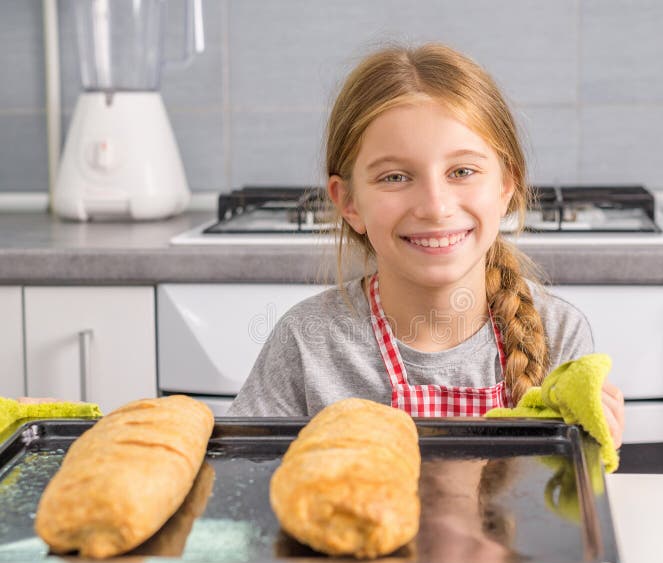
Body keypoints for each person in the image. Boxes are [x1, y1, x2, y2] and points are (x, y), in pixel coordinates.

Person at [229, 43, 625, 448]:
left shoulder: (559, 334)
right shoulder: (307, 341)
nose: (435, 207)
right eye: (396, 177)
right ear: (349, 202)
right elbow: (241, 479)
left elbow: (561, 502)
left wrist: (592, 445)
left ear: (506, 185)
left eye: (462, 171)